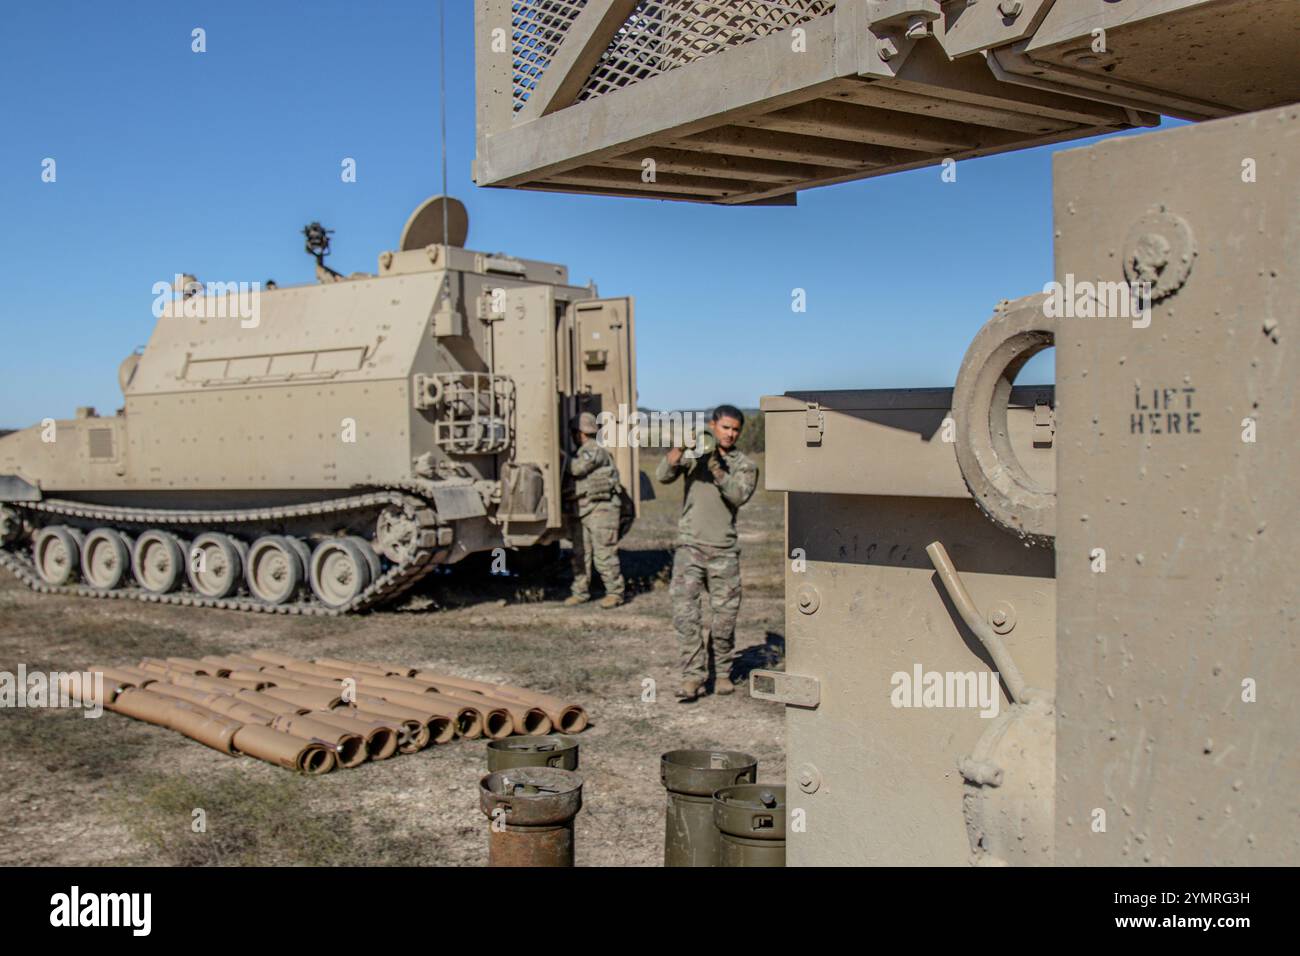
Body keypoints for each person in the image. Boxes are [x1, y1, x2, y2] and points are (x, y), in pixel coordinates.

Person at [656, 404, 758, 701]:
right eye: (725, 427)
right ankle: (692, 677)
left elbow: (738, 495)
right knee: (686, 615)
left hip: (724, 550)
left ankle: (722, 673)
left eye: (736, 429)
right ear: (713, 426)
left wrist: (715, 466)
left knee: (724, 618)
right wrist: (680, 447)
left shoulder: (744, 464)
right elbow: (663, 474)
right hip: (691, 547)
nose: (730, 433)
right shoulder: (695, 456)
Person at [563, 412, 625, 609]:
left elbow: (577, 469)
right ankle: (580, 592)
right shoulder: (583, 450)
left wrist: (560, 456)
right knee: (580, 553)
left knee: (604, 553)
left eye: (574, 432)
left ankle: (615, 592)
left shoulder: (594, 450)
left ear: (580, 433)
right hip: (583, 508)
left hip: (601, 509)